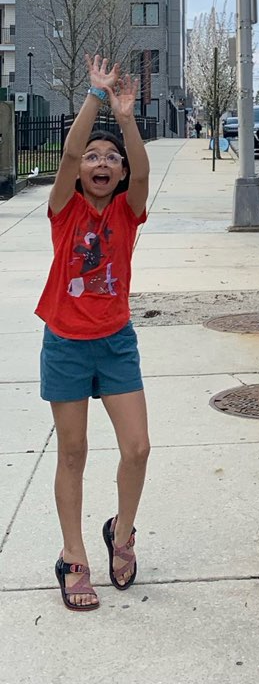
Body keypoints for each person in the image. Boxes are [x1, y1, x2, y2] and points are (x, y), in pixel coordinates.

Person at [36, 54, 151, 612]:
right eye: (94, 158)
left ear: (121, 172)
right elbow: (68, 153)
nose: (101, 163)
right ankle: (73, 553)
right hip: (65, 342)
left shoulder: (128, 212)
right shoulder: (65, 208)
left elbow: (144, 173)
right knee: (74, 450)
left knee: (137, 448)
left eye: (112, 159)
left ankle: (121, 532)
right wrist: (95, 96)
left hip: (115, 341)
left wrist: (126, 118)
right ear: (82, 170)